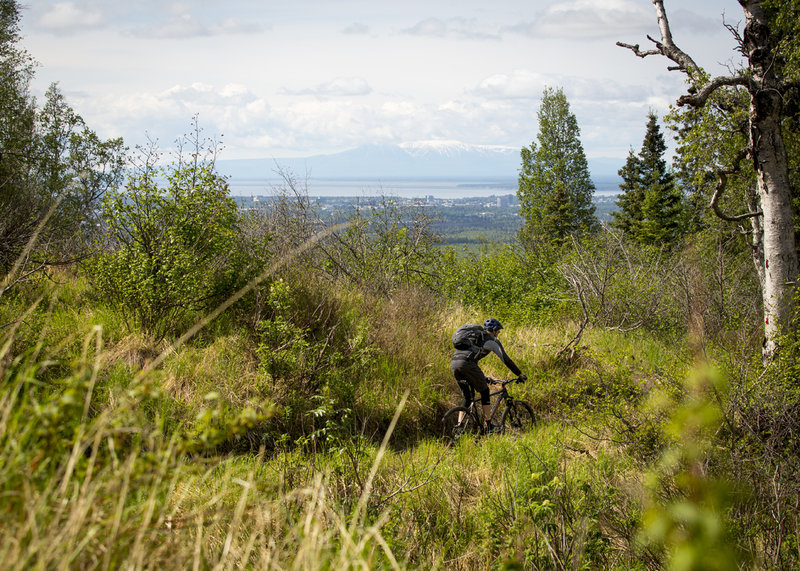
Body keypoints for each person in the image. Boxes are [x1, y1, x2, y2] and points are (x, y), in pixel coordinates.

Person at [450, 318, 526, 432]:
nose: (498, 334)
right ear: (494, 330)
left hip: (455, 363)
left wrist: (484, 378)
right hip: (467, 364)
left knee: (468, 397)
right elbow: (506, 359)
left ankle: (459, 426)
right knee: (485, 391)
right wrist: (520, 374)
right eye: (498, 331)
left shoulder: (474, 339)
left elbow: (471, 361)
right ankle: (489, 425)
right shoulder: (492, 340)